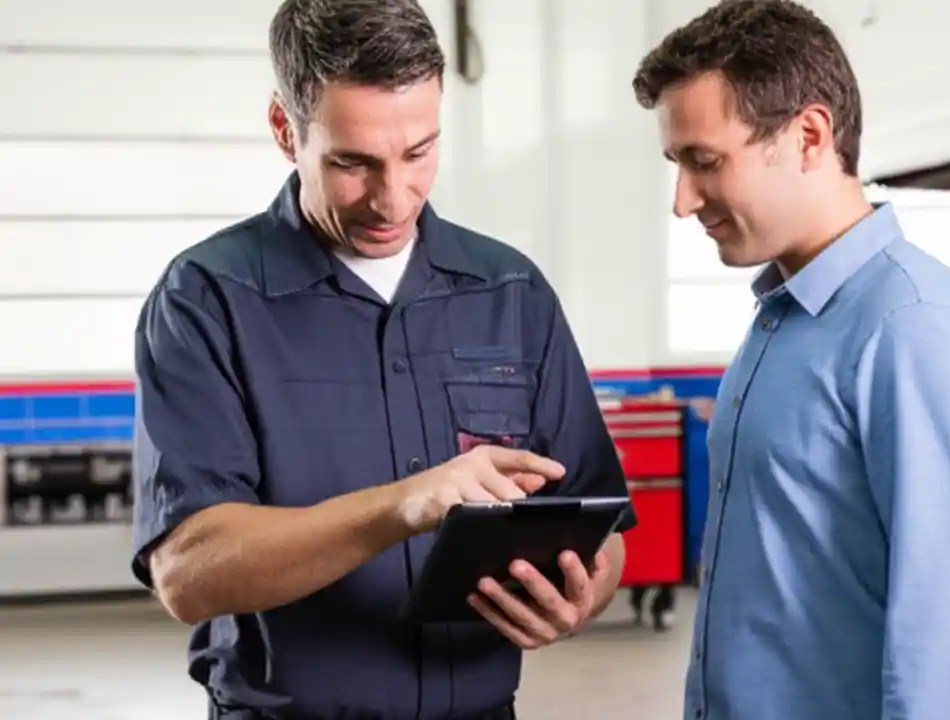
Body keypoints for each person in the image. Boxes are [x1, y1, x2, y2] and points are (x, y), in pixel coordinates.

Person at [129, 1, 634, 718]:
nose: (392, 198)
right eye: (352, 163)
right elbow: (188, 574)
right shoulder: (207, 301)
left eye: (419, 152)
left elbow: (599, 528)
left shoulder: (511, 292)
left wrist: (580, 593)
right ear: (285, 129)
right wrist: (404, 504)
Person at [632, 2, 950, 719]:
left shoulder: (916, 331)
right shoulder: (784, 317)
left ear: (809, 136)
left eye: (705, 162)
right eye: (677, 164)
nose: (683, 201)